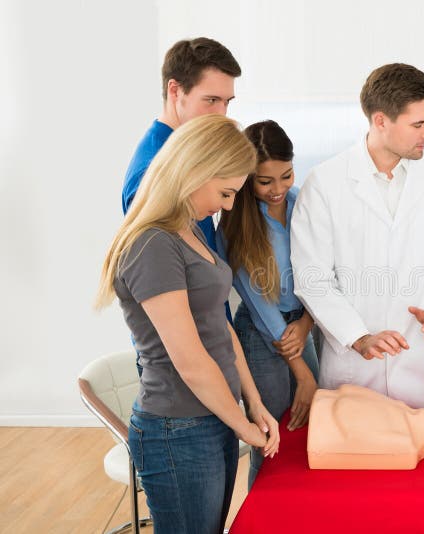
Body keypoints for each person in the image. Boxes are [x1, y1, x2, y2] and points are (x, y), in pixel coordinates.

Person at [96, 115, 280, 534]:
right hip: (178, 429)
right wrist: (243, 426)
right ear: (194, 171)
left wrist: (253, 402)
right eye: (225, 192)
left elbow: (219, 326)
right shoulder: (152, 244)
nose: (228, 205)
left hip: (213, 416)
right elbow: (190, 359)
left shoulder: (188, 233)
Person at [290, 63, 424, 409]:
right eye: (418, 124)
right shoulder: (325, 183)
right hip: (355, 371)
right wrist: (357, 337)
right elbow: (312, 276)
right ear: (380, 121)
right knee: (359, 458)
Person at [217, 120, 320, 489]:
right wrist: (303, 371)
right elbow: (262, 309)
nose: (278, 189)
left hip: (303, 324)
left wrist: (307, 323)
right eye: (265, 182)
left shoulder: (302, 205)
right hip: (262, 336)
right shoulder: (235, 224)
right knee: (271, 439)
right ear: (247, 177)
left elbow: (323, 272)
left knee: (309, 429)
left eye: (286, 176)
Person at [121, 37, 241, 250]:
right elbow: (160, 270)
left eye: (227, 102)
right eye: (211, 100)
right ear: (175, 90)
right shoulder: (152, 172)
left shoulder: (188, 154)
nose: (222, 114)